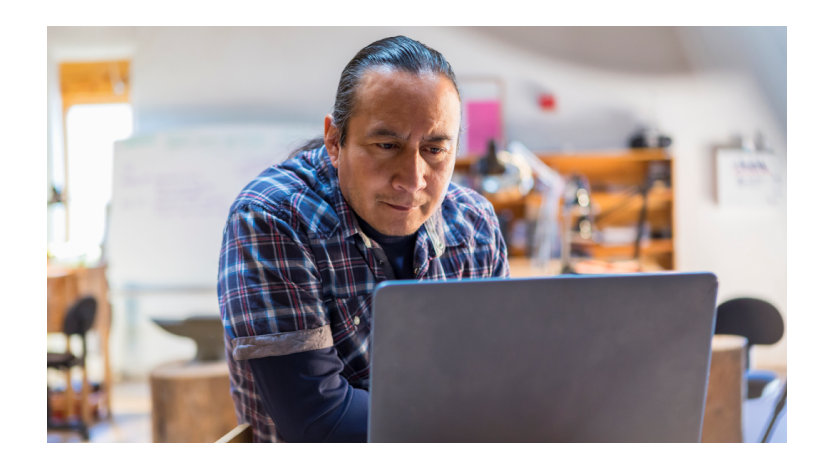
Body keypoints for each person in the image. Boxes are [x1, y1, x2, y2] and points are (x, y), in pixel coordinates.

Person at [217, 35, 509, 443]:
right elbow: (320, 424)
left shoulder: (475, 225)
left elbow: (501, 378)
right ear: (335, 141)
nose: (412, 179)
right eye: (386, 145)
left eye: (435, 149)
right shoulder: (272, 218)